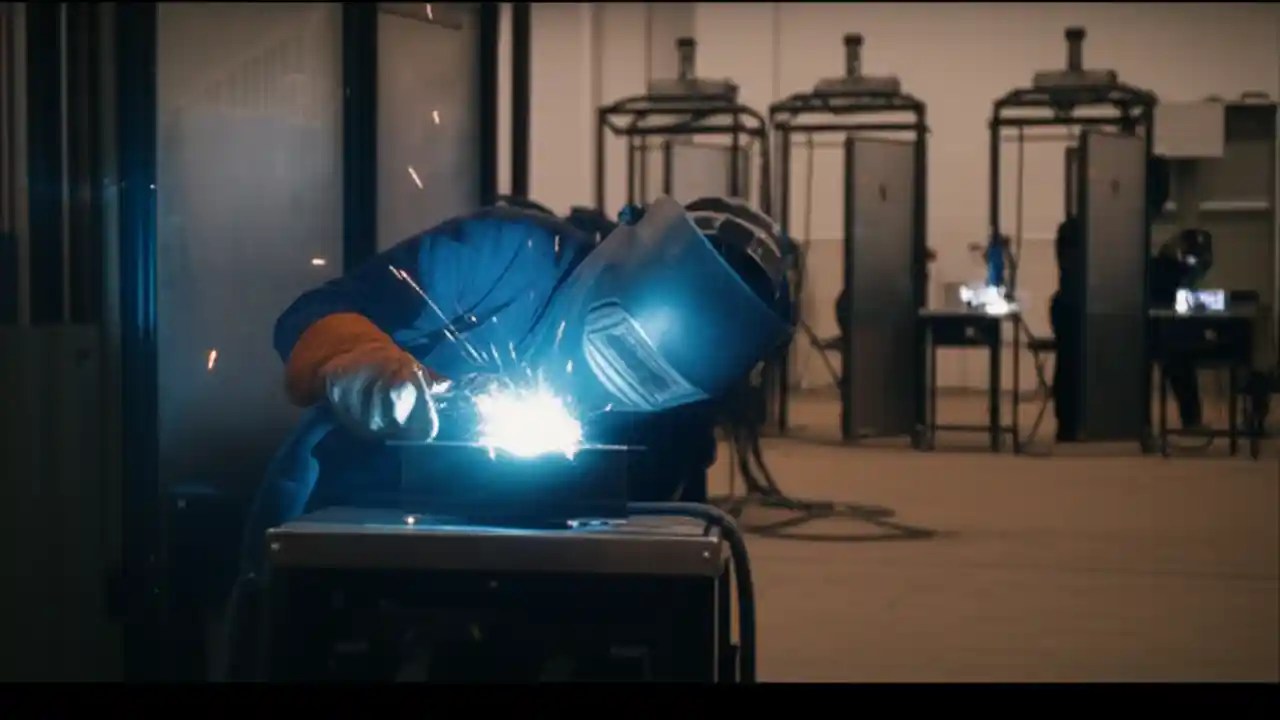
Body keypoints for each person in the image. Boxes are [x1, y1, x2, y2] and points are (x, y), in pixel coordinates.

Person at [220, 194, 792, 680]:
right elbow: (310, 317)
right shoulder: (509, 254)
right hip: (337, 541)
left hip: (523, 596)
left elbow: (657, 585)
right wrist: (360, 358)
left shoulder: (681, 427)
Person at [1050, 156, 1209, 440]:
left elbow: (1132, 276)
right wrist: (1168, 264)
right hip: (1087, 316)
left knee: (1170, 334)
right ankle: (1078, 424)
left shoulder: (1097, 229)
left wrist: (1167, 264)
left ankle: (1174, 419)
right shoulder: (1081, 231)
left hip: (1106, 314)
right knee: (1160, 335)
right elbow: (1116, 275)